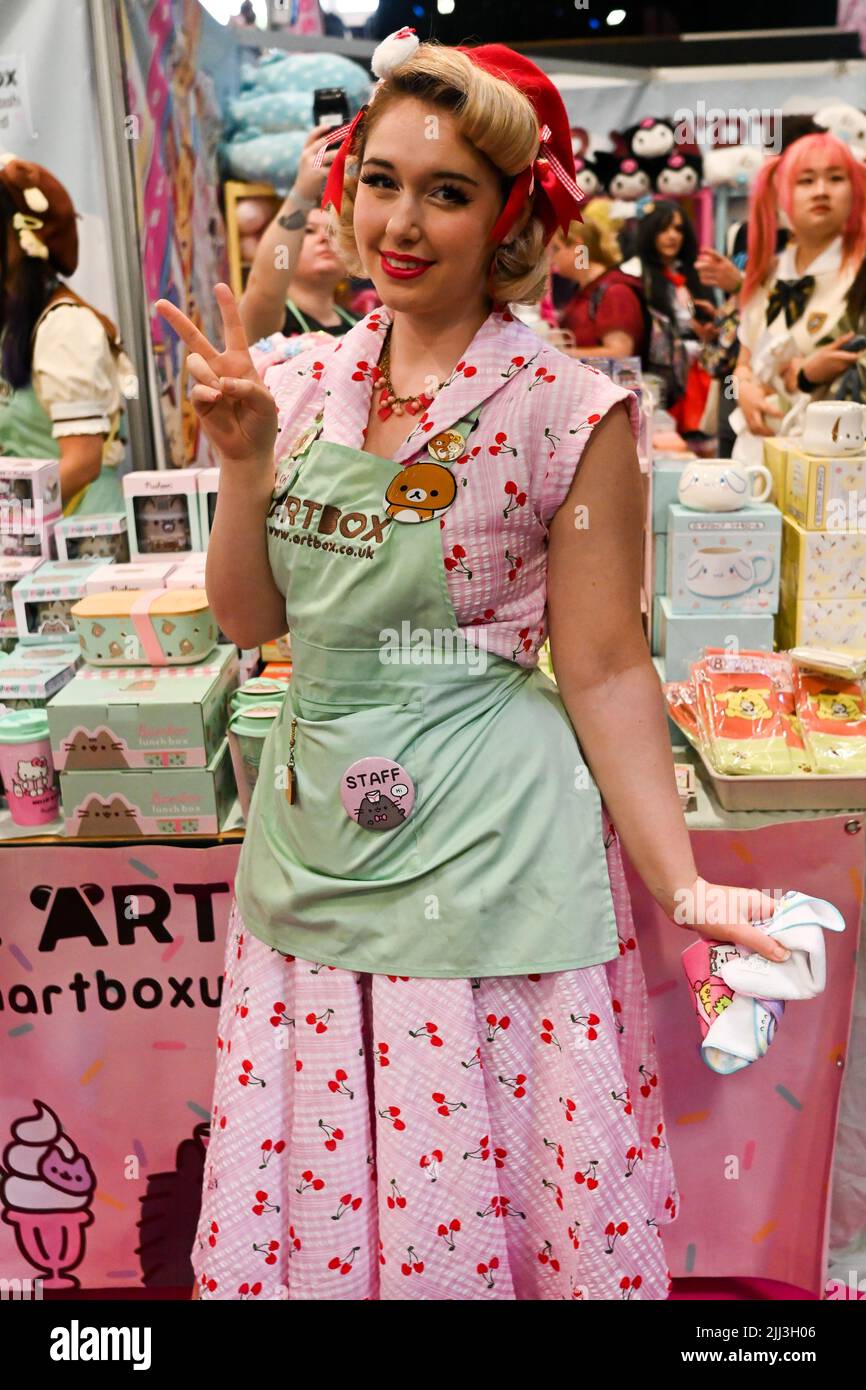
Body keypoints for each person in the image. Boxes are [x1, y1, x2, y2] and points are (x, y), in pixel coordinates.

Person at [158, 29, 792, 1303]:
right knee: (331, 1183)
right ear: (345, 189)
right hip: (316, 831)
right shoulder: (297, 379)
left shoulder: (569, 409)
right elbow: (245, 621)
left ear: (508, 216)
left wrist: (681, 884)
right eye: (381, 179)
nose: (402, 220)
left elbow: (606, 669)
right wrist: (239, 461)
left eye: (445, 191)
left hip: (498, 850)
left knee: (495, 1196)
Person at [0, 156, 135, 515]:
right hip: (30, 540)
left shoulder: (65, 326)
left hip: (80, 542)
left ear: (24, 238)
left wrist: (14, 521)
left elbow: (82, 464)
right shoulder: (11, 323)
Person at [732, 132, 866, 461]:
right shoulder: (768, 273)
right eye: (806, 181)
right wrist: (743, 389)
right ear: (781, 194)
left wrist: (809, 373)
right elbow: (744, 362)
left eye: (835, 178)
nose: (821, 191)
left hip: (831, 465)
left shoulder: (860, 275)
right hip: (754, 455)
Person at [239, 124, 360, 345]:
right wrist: (303, 191)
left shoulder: (363, 328)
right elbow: (263, 287)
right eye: (308, 231)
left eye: (333, 231)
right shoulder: (267, 323)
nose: (324, 238)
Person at [620, 199, 716, 408]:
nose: (672, 235)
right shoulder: (633, 274)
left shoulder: (694, 272)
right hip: (656, 380)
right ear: (649, 232)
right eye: (663, 228)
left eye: (678, 229)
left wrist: (711, 328)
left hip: (700, 375)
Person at [548, 215, 646, 359]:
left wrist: (561, 355)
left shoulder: (614, 291)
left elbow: (620, 353)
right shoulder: (587, 288)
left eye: (556, 249)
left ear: (577, 247)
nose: (551, 258)